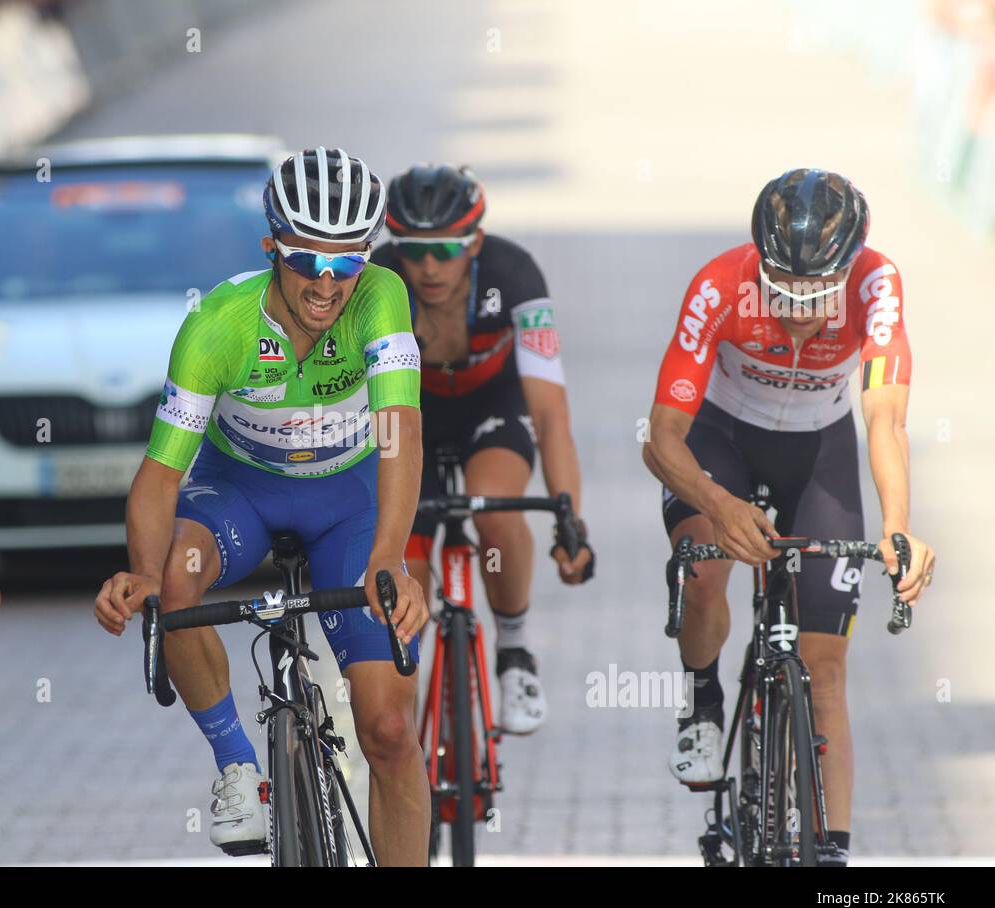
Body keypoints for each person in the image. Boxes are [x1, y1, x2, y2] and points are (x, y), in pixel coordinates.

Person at [93, 146, 432, 866]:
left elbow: (401, 439)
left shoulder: (383, 296)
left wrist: (389, 561)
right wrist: (147, 575)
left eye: (347, 262)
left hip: (350, 499)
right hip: (240, 489)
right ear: (272, 247)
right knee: (177, 581)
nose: (328, 282)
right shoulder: (217, 323)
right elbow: (159, 475)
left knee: (391, 730)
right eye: (308, 261)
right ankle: (237, 767)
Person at [643, 168, 937, 866]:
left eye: (818, 291)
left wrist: (897, 526)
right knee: (707, 571)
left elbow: (885, 417)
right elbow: (662, 437)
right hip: (721, 439)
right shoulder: (719, 283)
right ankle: (704, 697)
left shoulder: (877, 284)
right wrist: (719, 504)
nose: (801, 307)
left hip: (819, 446)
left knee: (825, 665)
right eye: (784, 289)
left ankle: (830, 851)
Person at [370, 163, 592, 735]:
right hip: (411, 415)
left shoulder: (515, 272)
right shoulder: (379, 280)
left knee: (494, 509)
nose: (427, 267)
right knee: (403, 568)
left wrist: (569, 517)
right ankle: (405, 718)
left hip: (492, 405)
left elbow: (549, 412)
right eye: (413, 250)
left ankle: (514, 652)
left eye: (444, 250)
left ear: (474, 241)